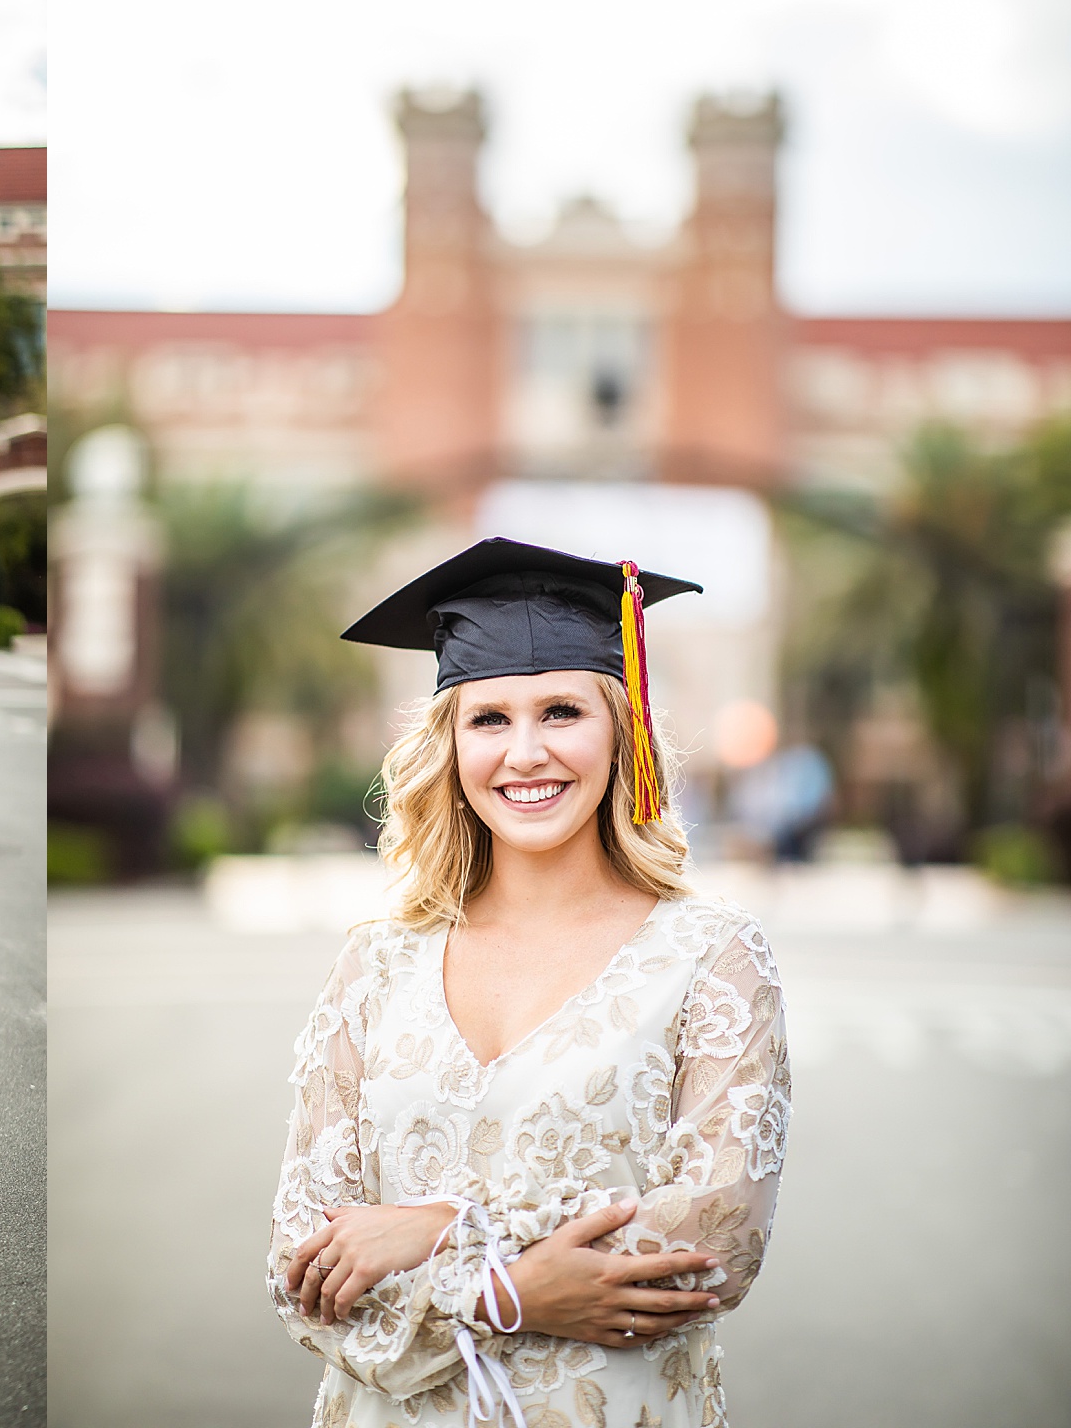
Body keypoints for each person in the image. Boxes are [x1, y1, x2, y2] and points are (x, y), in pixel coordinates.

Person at [269, 539, 789, 1428]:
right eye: (489, 719)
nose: (525, 753)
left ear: (621, 731)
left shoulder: (711, 957)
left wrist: (439, 1231)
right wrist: (504, 1291)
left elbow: (713, 1241)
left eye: (560, 711)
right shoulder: (377, 965)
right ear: (450, 744)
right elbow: (306, 1269)